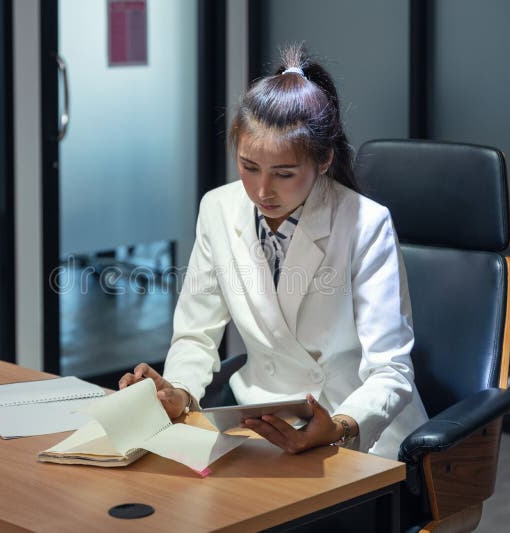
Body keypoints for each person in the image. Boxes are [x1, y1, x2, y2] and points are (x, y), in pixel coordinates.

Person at [119, 44, 428, 459]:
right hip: (258, 424)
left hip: (352, 429)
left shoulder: (365, 223)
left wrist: (339, 427)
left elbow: (391, 371)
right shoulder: (218, 208)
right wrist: (180, 392)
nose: (263, 191)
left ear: (323, 161)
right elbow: (197, 333)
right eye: (249, 167)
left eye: (284, 173)